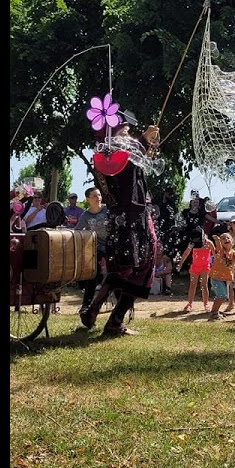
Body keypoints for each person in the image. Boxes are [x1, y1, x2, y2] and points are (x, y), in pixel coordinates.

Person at [79, 111, 163, 336]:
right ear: (111, 135)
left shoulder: (108, 153)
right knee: (135, 268)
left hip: (127, 217)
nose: (129, 134)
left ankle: (99, 312)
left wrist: (148, 146)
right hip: (132, 218)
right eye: (124, 131)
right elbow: (125, 165)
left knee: (129, 268)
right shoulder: (111, 152)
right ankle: (109, 318)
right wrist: (144, 141)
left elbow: (133, 166)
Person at [76, 186, 109, 314]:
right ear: (88, 199)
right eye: (95, 196)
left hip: (112, 245)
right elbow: (77, 232)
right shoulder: (85, 215)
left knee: (116, 273)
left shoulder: (108, 210)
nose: (98, 198)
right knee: (93, 275)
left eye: (99, 195)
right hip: (97, 247)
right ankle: (86, 305)